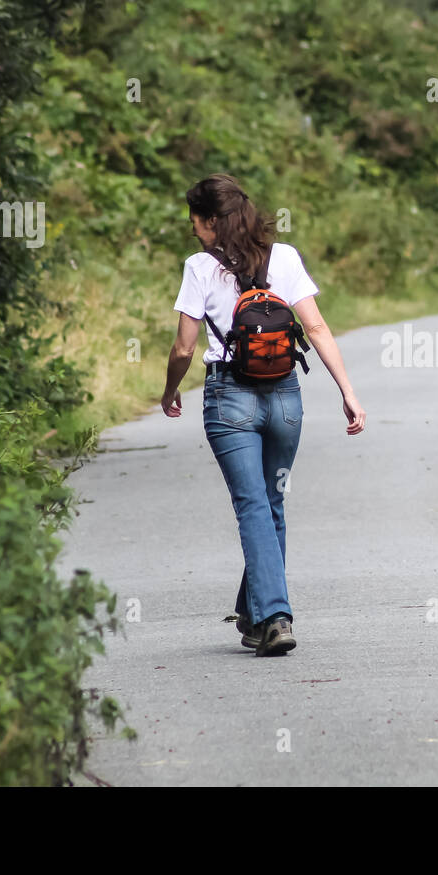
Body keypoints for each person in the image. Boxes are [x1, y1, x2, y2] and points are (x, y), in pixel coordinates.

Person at [161, 174, 365, 656]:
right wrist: (348, 391)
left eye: (195, 222)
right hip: (285, 399)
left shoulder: (198, 267)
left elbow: (184, 347)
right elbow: (314, 325)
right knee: (270, 503)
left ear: (212, 221)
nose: (193, 232)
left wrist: (170, 390)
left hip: (230, 397)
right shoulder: (285, 257)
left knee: (253, 506)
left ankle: (276, 617)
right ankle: (255, 615)